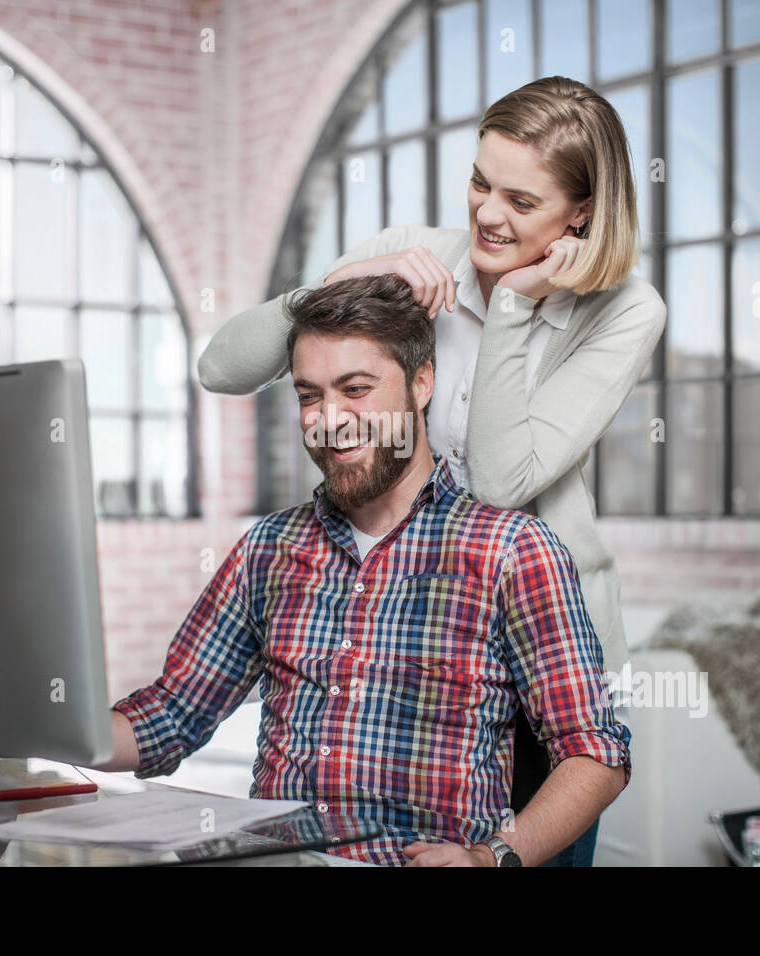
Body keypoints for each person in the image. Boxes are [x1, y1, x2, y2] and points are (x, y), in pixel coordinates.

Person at [196, 76, 665, 865]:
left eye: (522, 201)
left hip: (543, 656)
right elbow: (222, 367)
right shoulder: (405, 255)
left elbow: (500, 483)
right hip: (411, 645)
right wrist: (332, 290)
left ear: (581, 212)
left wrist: (512, 306)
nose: (485, 212)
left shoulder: (625, 311)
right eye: (481, 182)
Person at [100, 274, 631, 867]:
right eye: (309, 396)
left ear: (422, 382)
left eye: (356, 389)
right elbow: (172, 715)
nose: (330, 419)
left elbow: (596, 753)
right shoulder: (269, 548)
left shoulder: (512, 551)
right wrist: (44, 737)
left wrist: (491, 857)